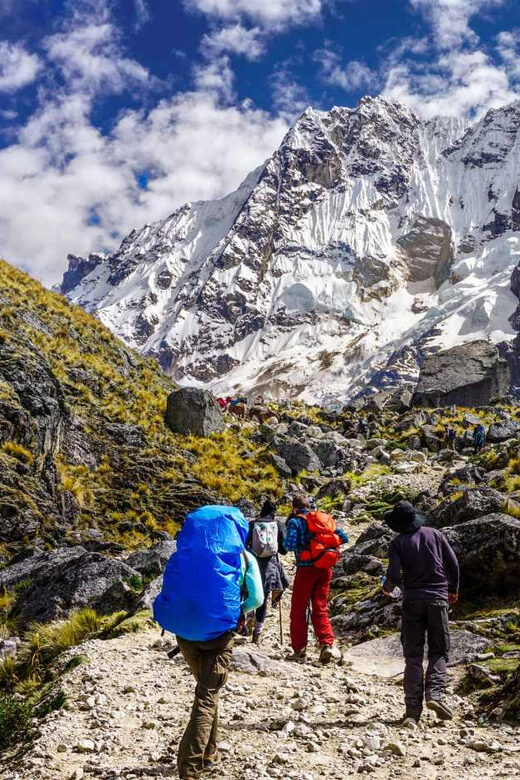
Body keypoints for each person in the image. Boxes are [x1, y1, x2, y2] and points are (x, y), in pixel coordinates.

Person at [154, 506, 263, 779]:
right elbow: (257, 599)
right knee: (206, 697)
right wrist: (237, 610)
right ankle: (189, 769)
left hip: (185, 634)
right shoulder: (243, 557)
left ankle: (210, 750)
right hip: (218, 635)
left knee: (207, 689)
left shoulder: (185, 555)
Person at [382, 501, 460, 724]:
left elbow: (395, 576)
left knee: (413, 656)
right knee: (439, 650)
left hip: (413, 600)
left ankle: (412, 713)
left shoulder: (397, 543)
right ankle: (435, 695)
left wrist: (387, 588)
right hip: (437, 599)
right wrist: (452, 590)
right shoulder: (435, 534)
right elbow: (453, 563)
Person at [284, 493, 349, 664]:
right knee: (320, 607)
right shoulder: (323, 519)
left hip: (306, 569)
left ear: (295, 507)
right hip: (325, 568)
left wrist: (305, 545)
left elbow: (288, 545)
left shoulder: (295, 521)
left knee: (299, 609)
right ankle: (326, 644)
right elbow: (344, 537)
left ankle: (299, 650)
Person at [246, 499, 289, 644]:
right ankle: (257, 634)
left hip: (253, 563)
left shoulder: (253, 524)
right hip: (270, 566)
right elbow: (284, 550)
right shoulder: (277, 524)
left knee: (250, 591)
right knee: (263, 596)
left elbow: (245, 544)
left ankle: (249, 616)